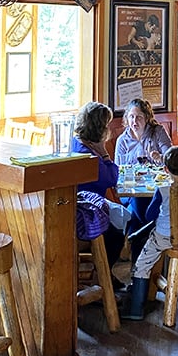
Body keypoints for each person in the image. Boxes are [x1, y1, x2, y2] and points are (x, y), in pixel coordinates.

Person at [120, 146, 178, 321]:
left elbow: (149, 215)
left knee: (141, 266)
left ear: (165, 169)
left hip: (161, 237)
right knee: (143, 236)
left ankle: (136, 309)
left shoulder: (162, 190)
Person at [73, 101, 127, 286]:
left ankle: (104, 277)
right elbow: (112, 178)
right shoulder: (91, 158)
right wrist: (104, 152)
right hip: (84, 215)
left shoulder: (75, 143)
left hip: (77, 209)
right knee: (116, 236)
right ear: (99, 128)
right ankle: (102, 279)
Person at [114, 98, 172, 233]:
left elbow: (171, 158)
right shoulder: (122, 141)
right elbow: (118, 170)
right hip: (129, 190)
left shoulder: (157, 132)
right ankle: (151, 229)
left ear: (147, 117)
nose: (135, 121)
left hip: (156, 188)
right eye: (131, 117)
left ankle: (139, 238)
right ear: (127, 118)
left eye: (139, 117)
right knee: (138, 201)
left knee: (134, 217)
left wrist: (160, 157)